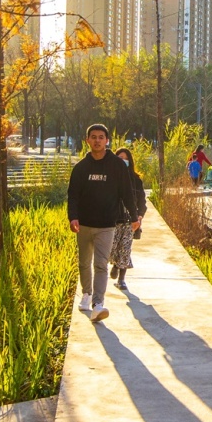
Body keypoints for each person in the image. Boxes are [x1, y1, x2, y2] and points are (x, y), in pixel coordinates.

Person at [67, 123, 140, 322]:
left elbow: (126, 192)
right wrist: (72, 216)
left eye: (101, 137)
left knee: (100, 264)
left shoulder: (117, 165)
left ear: (107, 141)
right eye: (94, 137)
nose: (97, 140)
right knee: (84, 263)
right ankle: (86, 294)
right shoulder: (81, 167)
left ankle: (98, 304)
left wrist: (134, 217)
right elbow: (72, 195)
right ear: (87, 140)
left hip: (107, 224)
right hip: (84, 224)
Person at [109, 147, 147, 291]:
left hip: (130, 220)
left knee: (125, 248)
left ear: (129, 161)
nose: (122, 161)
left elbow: (142, 201)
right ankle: (115, 264)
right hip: (113, 219)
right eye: (119, 158)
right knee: (112, 248)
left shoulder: (136, 180)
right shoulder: (111, 178)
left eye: (125, 158)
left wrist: (139, 216)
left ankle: (121, 279)